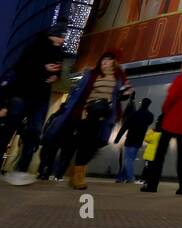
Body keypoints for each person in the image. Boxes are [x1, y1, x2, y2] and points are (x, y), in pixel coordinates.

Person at [52, 51, 133, 190]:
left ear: (114, 62)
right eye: (103, 59)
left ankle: (76, 169)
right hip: (88, 113)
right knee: (85, 142)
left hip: (106, 116)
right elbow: (79, 92)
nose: (104, 62)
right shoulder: (92, 74)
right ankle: (78, 176)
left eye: (108, 60)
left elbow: (120, 96)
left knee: (97, 143)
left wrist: (126, 93)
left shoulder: (119, 77)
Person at [0, 29, 66, 185]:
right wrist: (43, 68)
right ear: (51, 36)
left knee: (34, 132)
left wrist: (55, 75)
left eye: (62, 37)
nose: (62, 40)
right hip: (23, 94)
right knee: (10, 129)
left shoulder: (59, 53)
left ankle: (22, 170)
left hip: (41, 97)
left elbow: (59, 70)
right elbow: (22, 67)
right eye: (59, 36)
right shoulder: (34, 47)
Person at [141, 62, 182, 195]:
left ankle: (152, 185)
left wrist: (165, 110)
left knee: (160, 154)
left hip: (171, 121)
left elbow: (171, 97)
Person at [114, 97, 154, 184]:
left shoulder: (134, 114)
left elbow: (125, 126)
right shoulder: (150, 116)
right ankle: (122, 177)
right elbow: (149, 122)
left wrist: (117, 138)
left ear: (141, 103)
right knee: (129, 159)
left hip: (130, 139)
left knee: (128, 159)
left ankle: (130, 177)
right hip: (138, 140)